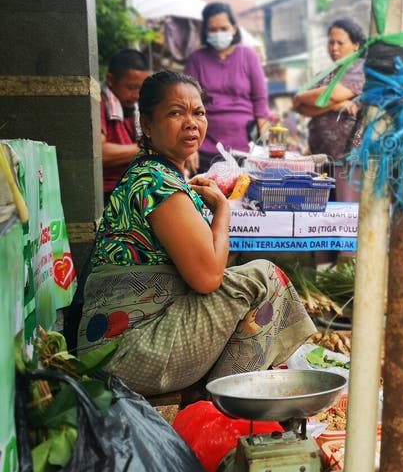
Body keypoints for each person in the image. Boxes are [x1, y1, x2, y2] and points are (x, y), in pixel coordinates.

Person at [77, 70, 315, 396]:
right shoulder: (156, 183)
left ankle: (217, 399)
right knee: (263, 278)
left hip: (124, 344)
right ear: (146, 124)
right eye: (176, 113)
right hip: (128, 352)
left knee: (246, 287)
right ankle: (220, 406)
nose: (191, 122)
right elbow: (207, 279)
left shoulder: (156, 173)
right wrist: (223, 210)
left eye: (198, 112)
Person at [185, 1, 270, 173]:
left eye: (223, 28)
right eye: (213, 29)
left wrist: (264, 146)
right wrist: (189, 149)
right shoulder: (196, 60)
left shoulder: (249, 56)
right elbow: (188, 105)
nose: (218, 33)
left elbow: (260, 101)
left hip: (246, 148)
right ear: (205, 31)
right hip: (206, 147)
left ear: (234, 29)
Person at [292, 17, 366, 202]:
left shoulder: (359, 69)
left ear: (356, 45)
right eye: (331, 42)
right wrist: (334, 106)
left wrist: (303, 96)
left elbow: (331, 94)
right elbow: (298, 107)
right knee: (326, 214)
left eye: (340, 43)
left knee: (346, 215)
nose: (334, 48)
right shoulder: (326, 73)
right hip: (323, 159)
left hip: (349, 161)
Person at [100, 48, 150, 204]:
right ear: (110, 80)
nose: (136, 95)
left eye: (140, 89)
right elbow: (99, 152)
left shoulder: (137, 107)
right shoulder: (99, 103)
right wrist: (147, 149)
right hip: (109, 193)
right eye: (131, 87)